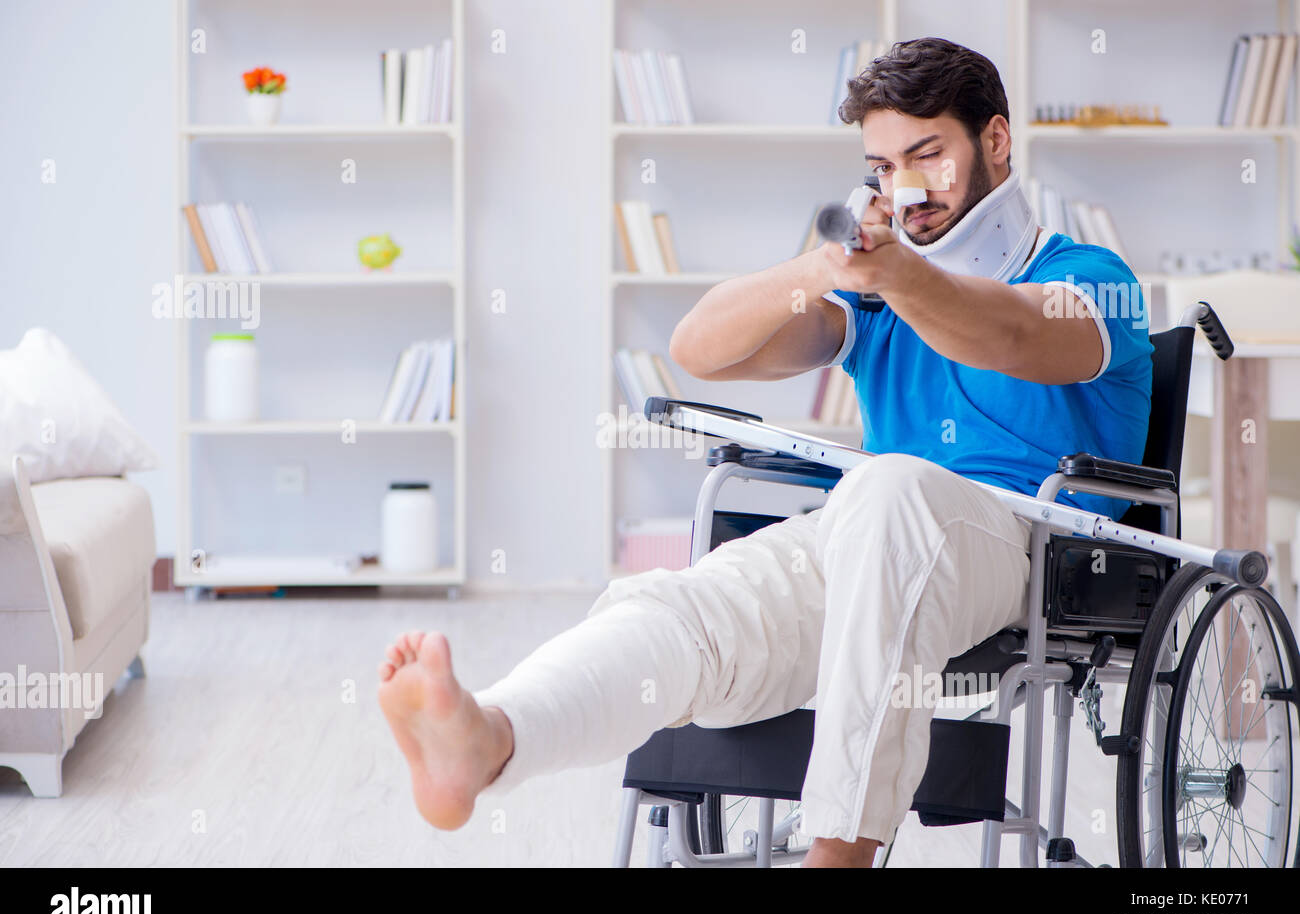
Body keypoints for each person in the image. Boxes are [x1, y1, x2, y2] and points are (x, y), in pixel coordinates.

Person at [377, 37, 1152, 867]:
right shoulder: (880, 302)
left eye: (928, 154)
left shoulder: (1091, 280)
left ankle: (839, 853)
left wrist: (895, 276)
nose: (908, 187)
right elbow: (700, 347)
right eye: (883, 166)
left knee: (889, 491)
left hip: (1029, 552)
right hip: (872, 539)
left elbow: (1006, 332)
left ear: (995, 141)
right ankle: (492, 735)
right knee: (693, 610)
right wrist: (823, 265)